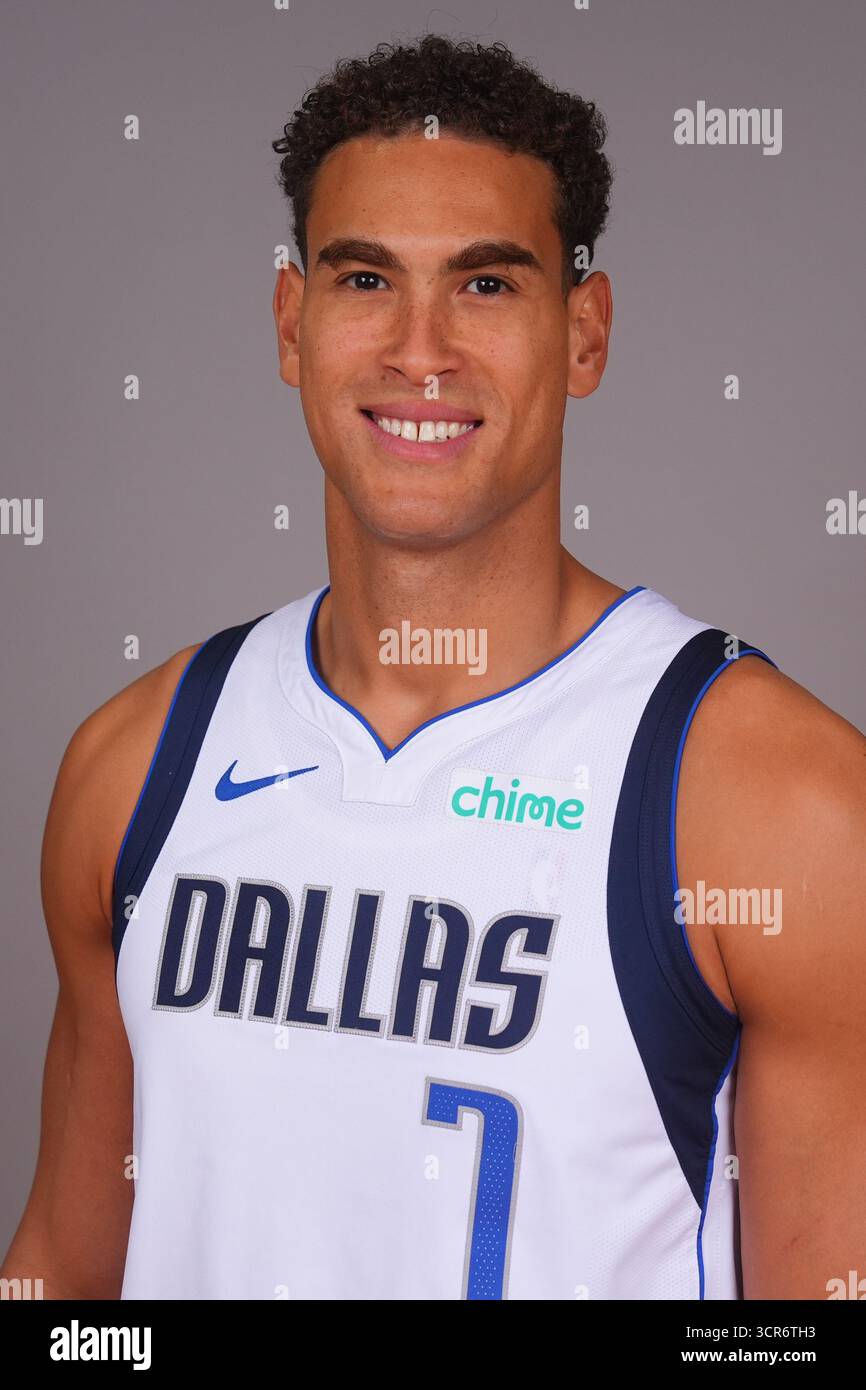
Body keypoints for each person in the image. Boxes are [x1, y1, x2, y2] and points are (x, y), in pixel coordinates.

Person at [3, 34, 865, 1301]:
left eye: (484, 286)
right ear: (292, 324)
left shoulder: (770, 809)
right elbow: (67, 1292)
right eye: (363, 279)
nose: (420, 352)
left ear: (582, 333)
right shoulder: (136, 766)